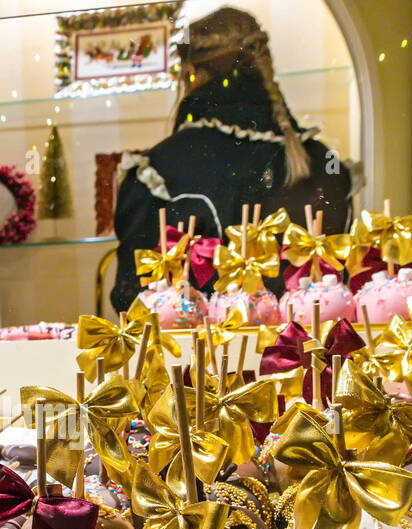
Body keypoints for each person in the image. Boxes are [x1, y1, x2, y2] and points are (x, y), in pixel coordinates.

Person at [111, 7, 353, 313]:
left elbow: (133, 299)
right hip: (313, 354)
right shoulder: (321, 160)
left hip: (201, 358)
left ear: (193, 74)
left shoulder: (164, 168)